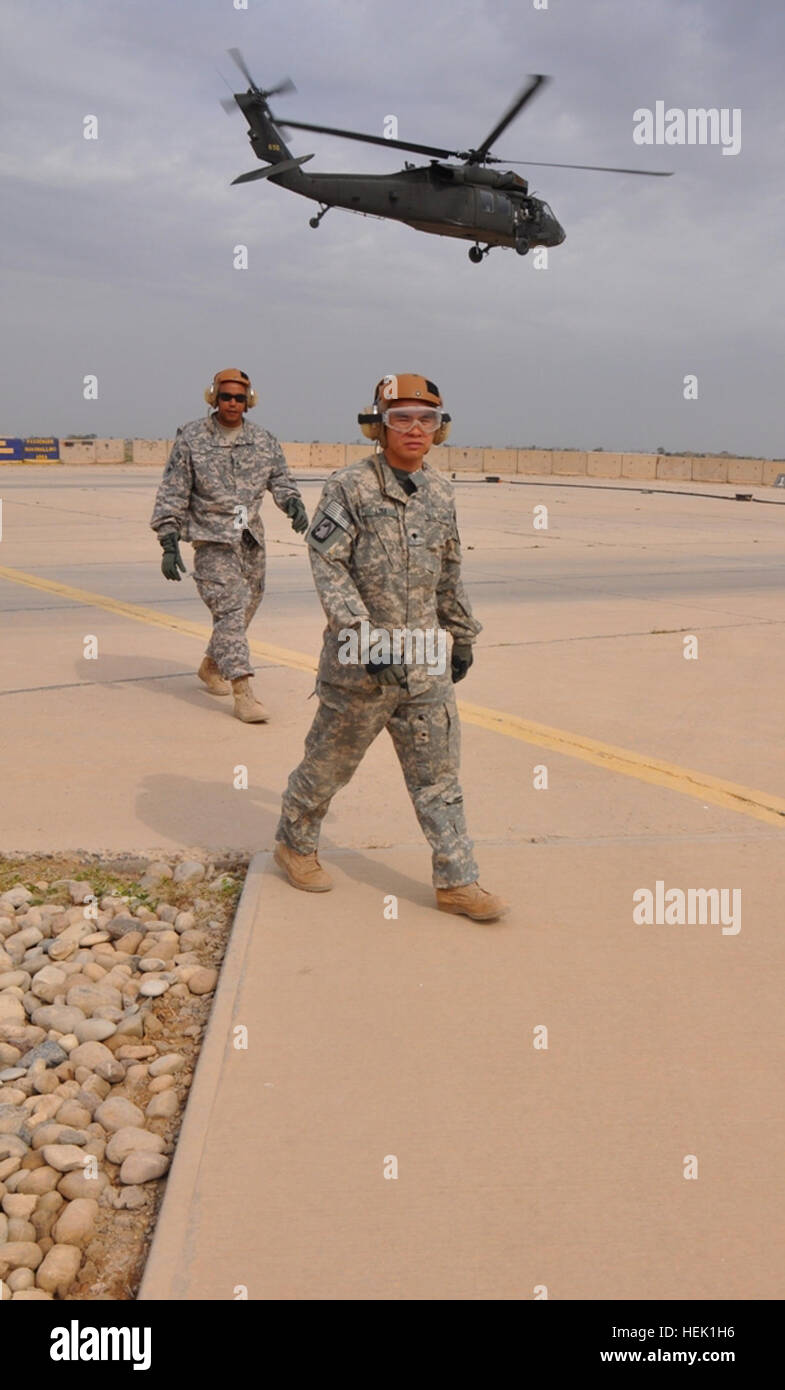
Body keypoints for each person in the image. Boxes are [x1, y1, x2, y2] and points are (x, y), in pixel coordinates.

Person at [274, 373, 508, 922]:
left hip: (425, 660)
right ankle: (295, 842)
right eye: (401, 417)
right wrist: (361, 635)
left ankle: (457, 880)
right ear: (378, 426)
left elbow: (448, 571)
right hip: (361, 665)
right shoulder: (349, 487)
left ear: (439, 429)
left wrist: (463, 634)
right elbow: (328, 564)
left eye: (426, 419)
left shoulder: (442, 493)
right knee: (329, 766)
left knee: (439, 779)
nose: (414, 428)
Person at [150, 367, 308, 722]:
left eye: (239, 397)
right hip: (211, 538)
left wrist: (292, 502)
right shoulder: (192, 438)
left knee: (247, 605)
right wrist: (168, 539)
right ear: (214, 398)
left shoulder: (264, 440)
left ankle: (211, 666)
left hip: (249, 537)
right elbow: (174, 488)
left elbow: (280, 477)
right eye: (226, 396)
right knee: (231, 610)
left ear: (248, 401)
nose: (232, 403)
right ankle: (243, 691)